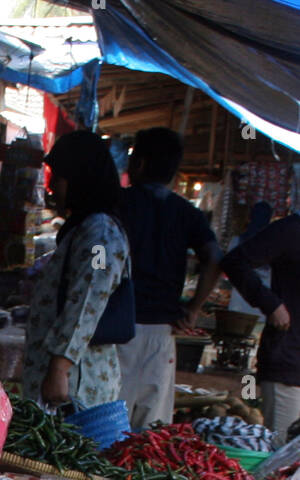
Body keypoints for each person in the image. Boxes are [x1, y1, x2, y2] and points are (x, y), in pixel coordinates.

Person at [115, 127, 221, 430]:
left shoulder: (119, 202)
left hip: (115, 330)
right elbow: (214, 258)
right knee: (152, 431)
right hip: (162, 333)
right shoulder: (186, 213)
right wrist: (194, 308)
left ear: (140, 164)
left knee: (106, 424)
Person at [22, 130, 132, 410]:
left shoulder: (100, 233)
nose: (52, 187)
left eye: (58, 177)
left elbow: (88, 300)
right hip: (67, 374)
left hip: (77, 379)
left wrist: (60, 367)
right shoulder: (84, 227)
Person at [222, 210, 300, 438]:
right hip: (287, 363)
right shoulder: (291, 229)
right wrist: (271, 304)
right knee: (282, 454)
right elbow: (235, 261)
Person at [225, 202, 272, 323]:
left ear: (250, 217)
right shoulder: (274, 245)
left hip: (238, 302)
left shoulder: (236, 241)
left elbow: (227, 267)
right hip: (262, 306)